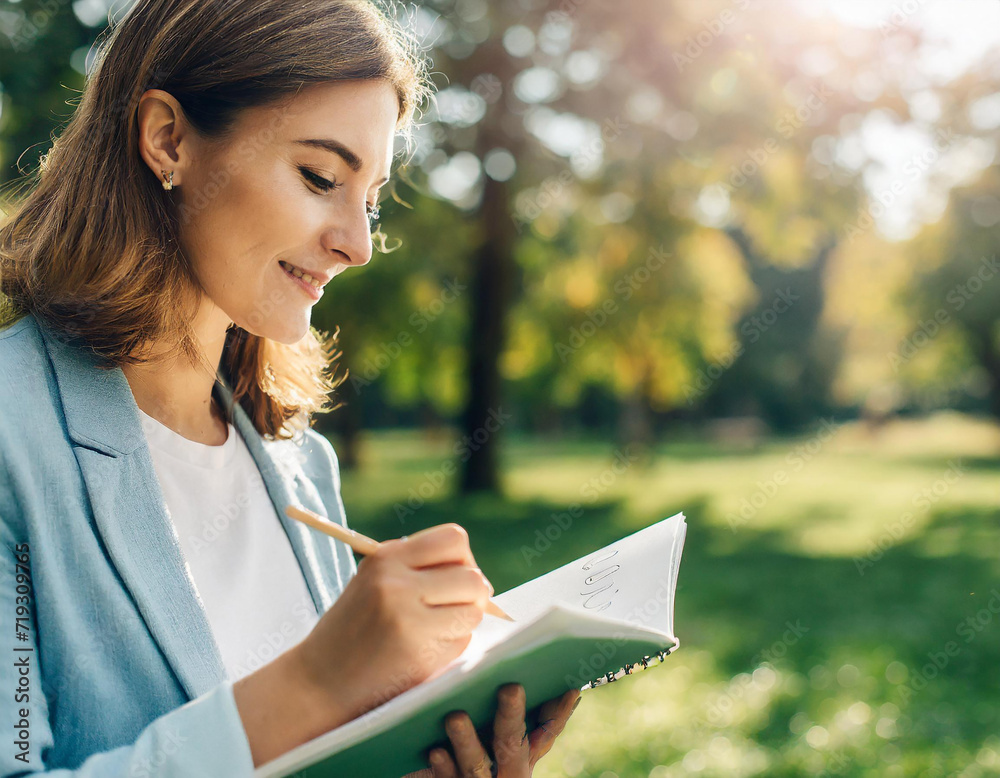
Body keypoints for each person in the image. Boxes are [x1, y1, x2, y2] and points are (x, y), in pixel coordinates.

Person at [0, 0, 580, 775]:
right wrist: (315, 682)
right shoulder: (14, 434)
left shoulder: (299, 463)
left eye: (370, 199)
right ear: (168, 139)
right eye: (319, 176)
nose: (359, 244)